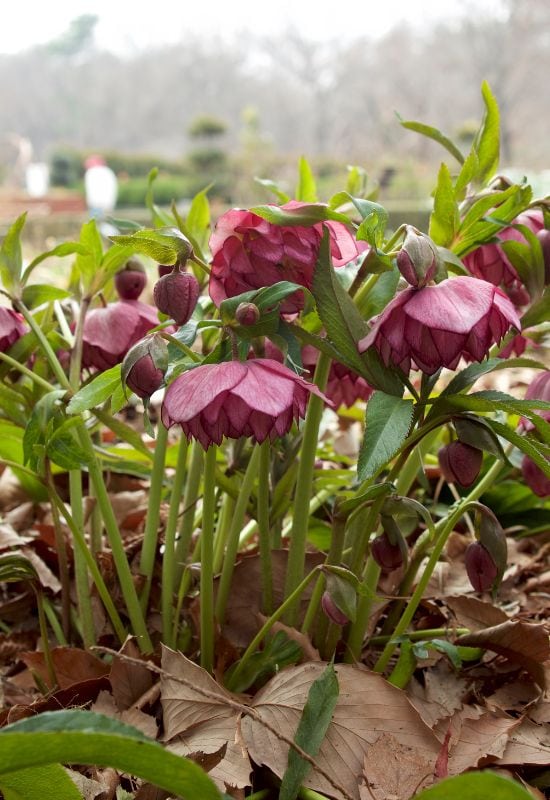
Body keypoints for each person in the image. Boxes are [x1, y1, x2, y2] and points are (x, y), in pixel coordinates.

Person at [84, 154, 118, 220]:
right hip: (108, 203)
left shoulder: (91, 172)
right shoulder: (108, 171)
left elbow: (91, 190)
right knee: (107, 222)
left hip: (96, 204)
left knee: (96, 224)